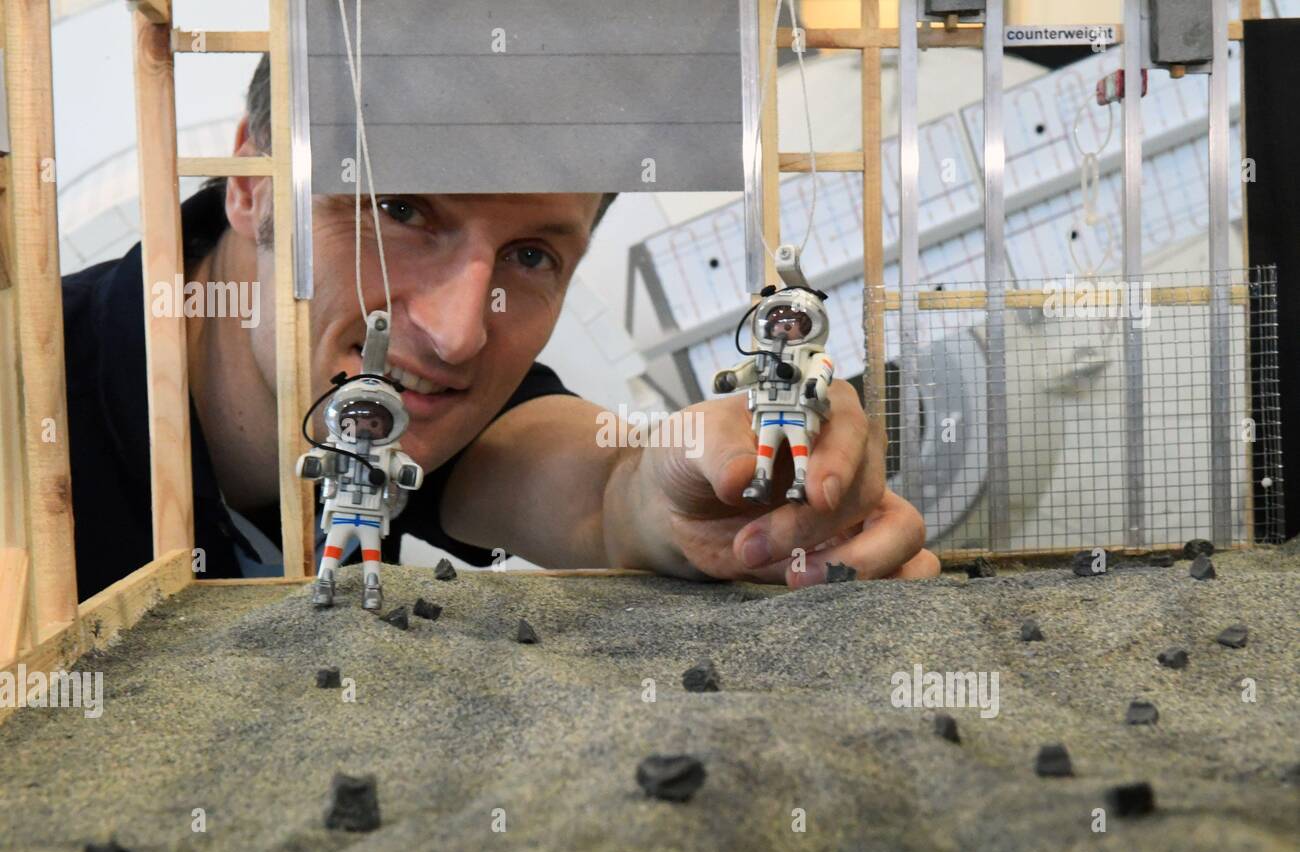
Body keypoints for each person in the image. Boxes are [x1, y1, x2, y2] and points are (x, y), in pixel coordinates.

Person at [61, 56, 937, 601]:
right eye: (400, 210)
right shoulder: (34, 411)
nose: (457, 334)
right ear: (249, 184)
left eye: (529, 258)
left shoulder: (401, 397)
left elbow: (587, 483)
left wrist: (696, 493)